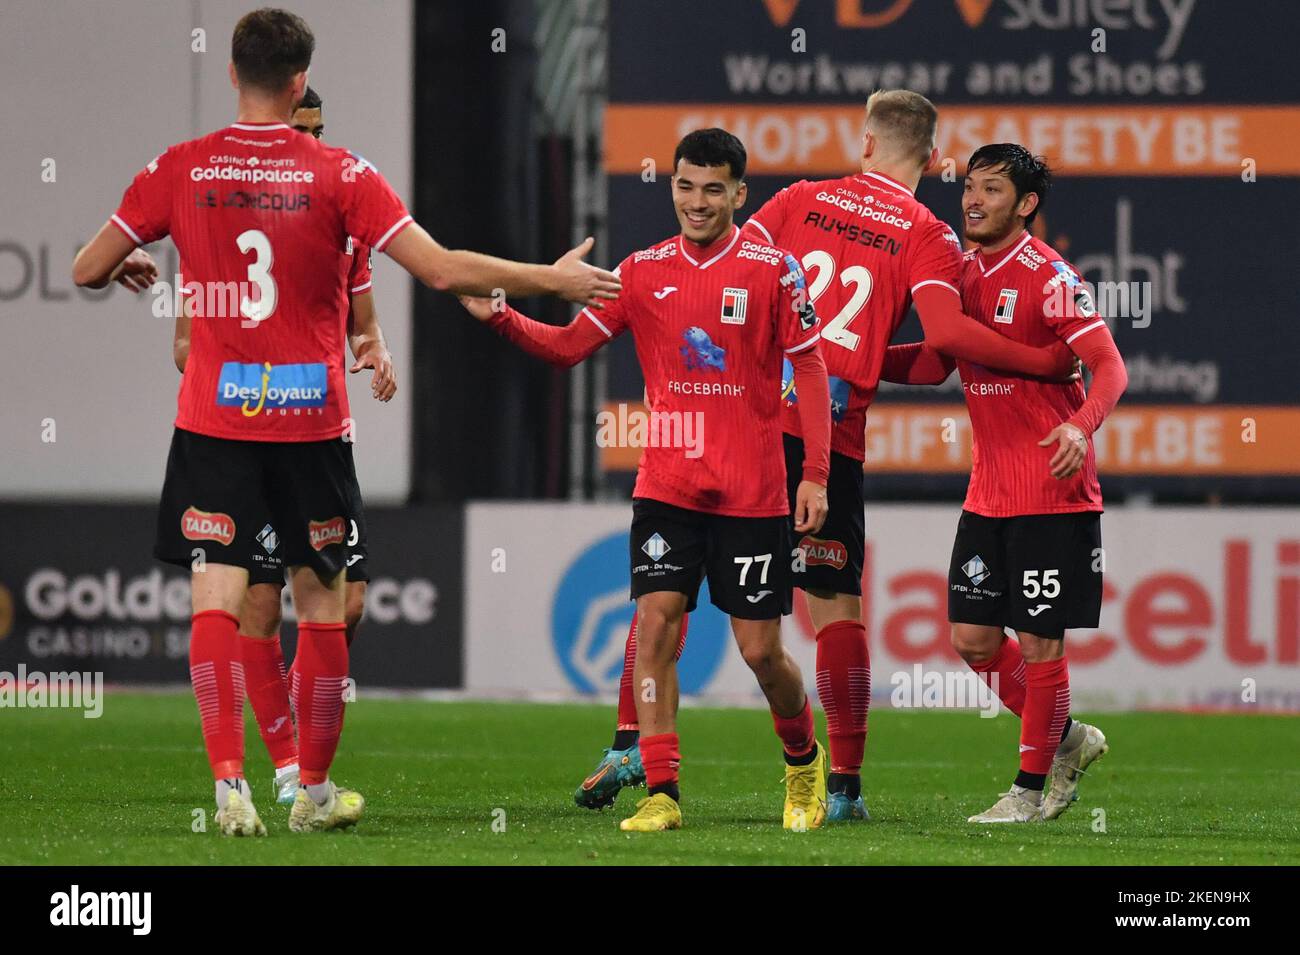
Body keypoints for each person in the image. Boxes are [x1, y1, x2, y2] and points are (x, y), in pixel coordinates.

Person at [73, 7, 620, 837]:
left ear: (230, 73)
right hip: (308, 428)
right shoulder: (341, 174)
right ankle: (313, 793)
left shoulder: (178, 169)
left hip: (215, 422)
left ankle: (231, 788)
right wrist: (550, 278)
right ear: (298, 84)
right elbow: (440, 270)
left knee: (214, 600)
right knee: (322, 607)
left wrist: (128, 262)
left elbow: (85, 268)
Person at [574, 90, 1076, 822]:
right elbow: (942, 349)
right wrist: (1022, 357)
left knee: (667, 591)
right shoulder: (929, 234)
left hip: (741, 424)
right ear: (935, 161)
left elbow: (734, 266)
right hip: (828, 438)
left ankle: (630, 741)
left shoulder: (802, 198)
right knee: (835, 612)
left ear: (865, 141)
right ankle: (841, 787)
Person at [462, 129, 835, 831]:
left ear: (739, 193)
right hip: (667, 484)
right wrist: (504, 316)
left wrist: (814, 473)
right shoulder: (641, 270)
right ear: (672, 187)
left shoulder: (774, 269)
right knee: (657, 627)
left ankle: (803, 761)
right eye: (685, 186)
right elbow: (570, 347)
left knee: (762, 651)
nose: (697, 202)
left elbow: (810, 370)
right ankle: (662, 790)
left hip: (753, 489)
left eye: (713, 188)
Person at [880, 143, 1127, 822]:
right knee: (973, 638)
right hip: (988, 491)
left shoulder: (1050, 276)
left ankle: (1027, 790)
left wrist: (1080, 426)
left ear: (1025, 204)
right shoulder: (956, 275)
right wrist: (860, 362)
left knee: (1043, 642)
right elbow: (934, 364)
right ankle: (1069, 738)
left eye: (991, 189)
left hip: (1052, 489)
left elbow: (1109, 368)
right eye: (968, 187)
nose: (972, 200)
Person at [169, 85, 392, 807]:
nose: (311, 140)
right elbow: (185, 346)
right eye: (303, 126)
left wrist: (374, 352)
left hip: (320, 436)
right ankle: (295, 769)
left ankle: (298, 764)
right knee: (260, 605)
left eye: (319, 129)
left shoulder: (341, 216)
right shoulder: (218, 226)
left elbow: (364, 322)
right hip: (245, 437)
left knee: (346, 602)